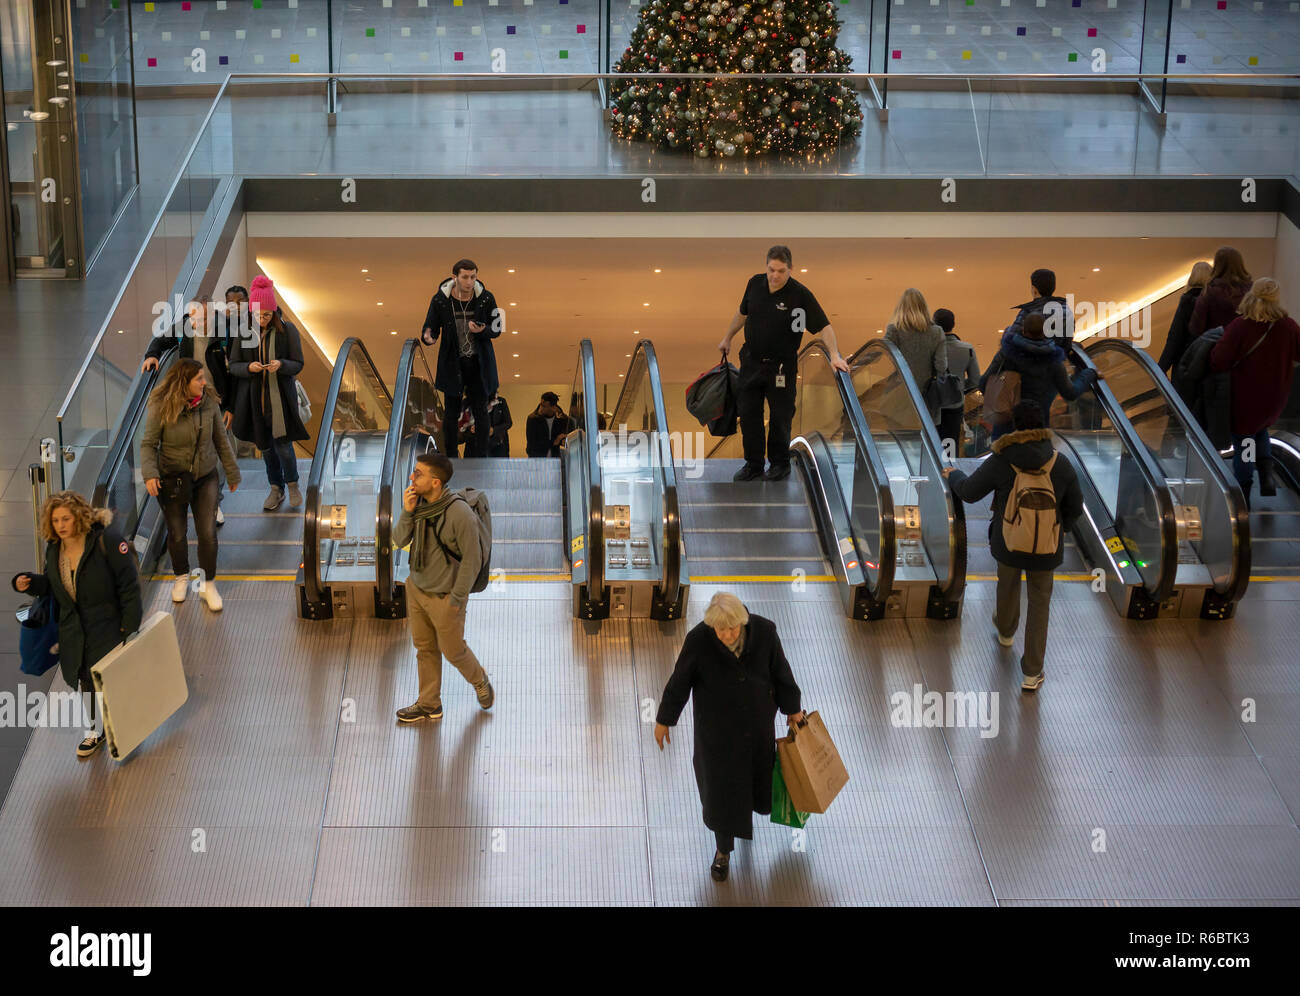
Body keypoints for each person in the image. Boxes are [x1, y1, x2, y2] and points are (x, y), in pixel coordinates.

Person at [654, 592, 804, 882]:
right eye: (721, 630)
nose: (727, 635)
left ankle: (745, 818)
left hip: (756, 731)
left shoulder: (765, 633)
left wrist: (793, 709)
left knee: (753, 782)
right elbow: (679, 682)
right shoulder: (699, 641)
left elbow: (781, 673)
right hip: (717, 739)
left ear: (743, 622)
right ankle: (722, 852)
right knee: (720, 796)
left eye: (733, 629)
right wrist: (664, 720)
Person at [943, 401, 1082, 691]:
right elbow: (1075, 507)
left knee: (1007, 585)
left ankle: (1006, 632)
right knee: (1040, 603)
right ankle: (1032, 673)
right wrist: (1060, 528)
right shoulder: (1060, 463)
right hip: (1047, 547)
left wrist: (953, 475)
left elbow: (969, 492)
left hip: (1009, 542)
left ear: (1015, 426)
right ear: (1042, 427)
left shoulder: (1003, 459)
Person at [11, 492, 143, 758]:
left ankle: (128, 725)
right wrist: (27, 583)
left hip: (108, 624)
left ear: (79, 516)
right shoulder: (54, 548)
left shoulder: (106, 540)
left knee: (113, 679)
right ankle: (96, 731)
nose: (60, 525)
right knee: (85, 679)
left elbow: (128, 586)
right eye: (56, 519)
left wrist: (129, 627)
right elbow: (52, 584)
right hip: (75, 629)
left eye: (66, 519)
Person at [717, 245, 850, 482]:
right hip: (751, 362)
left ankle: (780, 464)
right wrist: (727, 337)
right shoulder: (754, 284)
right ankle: (753, 464)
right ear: (766, 266)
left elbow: (824, 327)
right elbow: (742, 313)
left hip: (782, 367)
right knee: (749, 415)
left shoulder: (800, 295)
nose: (775, 276)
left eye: (780, 271)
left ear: (791, 269)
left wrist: (835, 355)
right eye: (771, 270)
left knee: (780, 416)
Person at [392, 452, 494, 722]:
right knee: (424, 649)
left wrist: (457, 599)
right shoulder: (419, 505)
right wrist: (406, 510)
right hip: (417, 588)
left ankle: (479, 679)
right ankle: (429, 704)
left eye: (419, 473)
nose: (412, 478)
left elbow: (473, 560)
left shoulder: (459, 514)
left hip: (446, 596)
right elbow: (400, 540)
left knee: (453, 651)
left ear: (436, 482)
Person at [141, 357, 242, 611]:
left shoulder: (208, 403)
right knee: (176, 532)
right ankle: (181, 577)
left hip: (205, 477)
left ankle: (208, 585)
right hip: (172, 478)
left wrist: (232, 474)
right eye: (198, 379)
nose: (203, 382)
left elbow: (221, 440)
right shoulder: (161, 405)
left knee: (207, 533)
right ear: (183, 382)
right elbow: (149, 444)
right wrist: (150, 474)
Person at [144, 295, 236, 526]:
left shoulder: (225, 332)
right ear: (190, 316)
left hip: (216, 400)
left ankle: (215, 502)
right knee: (196, 451)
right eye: (198, 318)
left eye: (207, 317)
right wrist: (151, 356)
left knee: (222, 449)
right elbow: (159, 341)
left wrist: (231, 406)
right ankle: (195, 497)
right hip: (189, 401)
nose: (202, 322)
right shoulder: (182, 329)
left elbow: (233, 374)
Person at [1208, 277, 1300, 507]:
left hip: (1245, 399)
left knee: (1245, 444)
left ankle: (1244, 492)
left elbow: (1219, 361)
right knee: (1260, 430)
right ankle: (1267, 477)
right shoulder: (1288, 326)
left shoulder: (1241, 326)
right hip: (1275, 397)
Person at [228, 275, 309, 512]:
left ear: (273, 312)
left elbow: (298, 363)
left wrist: (281, 365)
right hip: (255, 402)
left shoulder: (287, 331)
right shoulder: (244, 332)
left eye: (266, 315)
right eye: (257, 315)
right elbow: (233, 365)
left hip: (280, 400)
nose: (261, 319)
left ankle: (292, 483)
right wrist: (249, 368)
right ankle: (276, 488)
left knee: (283, 446)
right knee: (265, 448)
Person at [420, 259, 501, 459]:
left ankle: (482, 456)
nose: (469, 281)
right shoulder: (440, 300)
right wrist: (428, 337)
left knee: (481, 409)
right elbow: (431, 326)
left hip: (478, 362)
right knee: (451, 412)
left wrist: (483, 330)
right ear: (455, 276)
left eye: (473, 277)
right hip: (452, 363)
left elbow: (497, 328)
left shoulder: (486, 298)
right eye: (465, 277)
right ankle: (451, 456)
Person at [982, 313, 1099, 441]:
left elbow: (983, 383)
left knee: (1004, 458)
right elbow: (1070, 393)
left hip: (1005, 431)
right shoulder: (1053, 361)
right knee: (1036, 458)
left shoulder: (1006, 354)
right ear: (1045, 333)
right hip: (1037, 431)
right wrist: (1089, 373)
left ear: (1023, 330)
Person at [884, 288, 947, 424]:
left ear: (901, 307)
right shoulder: (936, 331)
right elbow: (941, 366)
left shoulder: (894, 329)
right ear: (924, 307)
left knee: (899, 439)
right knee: (925, 441)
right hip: (926, 398)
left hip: (898, 396)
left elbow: (882, 355)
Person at [934, 308, 981, 454]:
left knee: (933, 443)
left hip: (934, 403)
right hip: (956, 404)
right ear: (953, 324)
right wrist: (958, 387)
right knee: (951, 445)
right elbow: (975, 380)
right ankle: (949, 472)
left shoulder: (932, 349)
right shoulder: (967, 349)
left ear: (935, 325)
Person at [1157, 261, 1212, 375]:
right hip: (1209, 364)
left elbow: (1175, 338)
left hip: (1187, 365)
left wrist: (1160, 369)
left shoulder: (1187, 302)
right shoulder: (1216, 303)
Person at [1189, 246, 1252, 340]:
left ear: (1217, 265)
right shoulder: (1252, 290)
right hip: (1245, 346)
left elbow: (1196, 328)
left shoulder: (1210, 291)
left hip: (1217, 346)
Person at [1007, 268, 1074, 349]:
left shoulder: (1027, 312)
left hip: (1034, 359)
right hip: (1058, 359)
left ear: (1034, 289)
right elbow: (1067, 343)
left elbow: (1012, 341)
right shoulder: (1066, 310)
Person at [526, 392, 568, 457]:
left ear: (553, 407)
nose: (541, 408)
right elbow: (532, 444)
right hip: (537, 459)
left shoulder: (563, 419)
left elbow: (565, 441)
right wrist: (554, 441)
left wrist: (562, 441)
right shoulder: (533, 419)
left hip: (556, 458)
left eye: (544, 406)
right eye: (541, 404)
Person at [487, 393, 512, 457]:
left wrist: (494, 430)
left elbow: (508, 423)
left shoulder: (501, 401)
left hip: (499, 443)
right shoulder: (475, 403)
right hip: (482, 445)